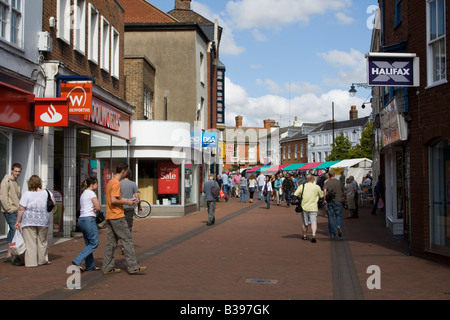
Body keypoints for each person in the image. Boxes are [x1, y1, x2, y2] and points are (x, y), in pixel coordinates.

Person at [102, 163, 146, 275]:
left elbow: (113, 198)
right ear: (123, 171)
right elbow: (113, 200)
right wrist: (127, 201)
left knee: (111, 243)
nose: (127, 173)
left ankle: (107, 266)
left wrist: (126, 199)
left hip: (110, 215)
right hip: (117, 215)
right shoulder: (116, 183)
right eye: (126, 171)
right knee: (127, 240)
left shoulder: (111, 181)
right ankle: (132, 266)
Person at [15, 175, 55, 267]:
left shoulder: (27, 194)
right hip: (43, 220)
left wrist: (18, 221)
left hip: (29, 220)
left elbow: (21, 208)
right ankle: (42, 260)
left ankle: (31, 262)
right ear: (40, 182)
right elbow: (53, 203)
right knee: (42, 241)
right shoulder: (47, 192)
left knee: (30, 242)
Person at [72, 177, 102, 272]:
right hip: (89, 219)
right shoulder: (91, 193)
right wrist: (96, 208)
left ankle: (90, 266)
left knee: (88, 243)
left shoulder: (83, 193)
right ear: (92, 184)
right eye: (96, 183)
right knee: (94, 243)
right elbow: (98, 207)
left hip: (82, 219)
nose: (97, 185)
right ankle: (78, 260)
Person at [1, 163, 23, 265]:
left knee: (12, 231)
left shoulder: (16, 182)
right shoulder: (6, 181)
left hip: (15, 209)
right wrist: (8, 209)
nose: (17, 173)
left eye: (19, 171)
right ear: (11, 170)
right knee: (15, 231)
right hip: (10, 211)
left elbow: (18, 196)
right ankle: (15, 256)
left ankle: (9, 255)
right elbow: (3, 196)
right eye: (16, 171)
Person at [294, 174, 324, 243]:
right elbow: (321, 196)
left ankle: (304, 235)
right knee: (314, 222)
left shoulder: (302, 186)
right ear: (312, 179)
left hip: (304, 207)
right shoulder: (317, 187)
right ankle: (313, 235)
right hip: (313, 207)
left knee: (304, 222)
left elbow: (295, 194)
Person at [324, 169, 345, 239]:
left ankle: (332, 233)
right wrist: (344, 198)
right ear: (334, 175)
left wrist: (324, 199)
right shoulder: (339, 182)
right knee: (338, 216)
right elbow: (343, 191)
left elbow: (324, 191)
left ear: (329, 175)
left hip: (330, 201)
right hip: (338, 200)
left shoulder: (327, 183)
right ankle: (338, 226)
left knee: (331, 217)